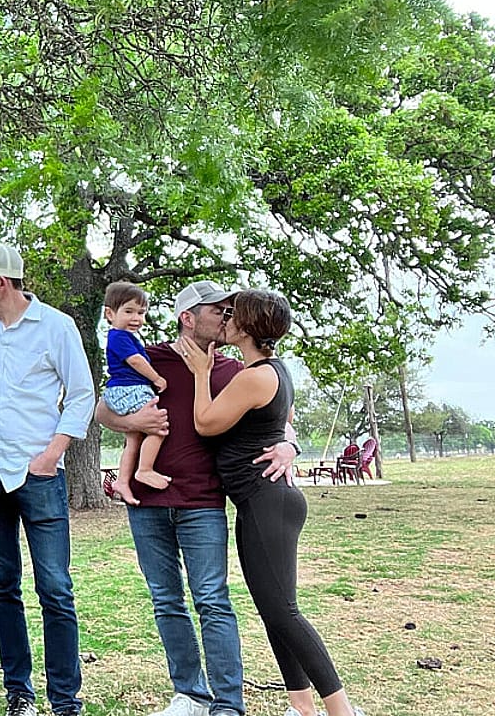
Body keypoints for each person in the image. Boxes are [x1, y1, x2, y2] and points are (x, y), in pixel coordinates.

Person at [95, 280, 298, 716]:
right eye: (216, 310)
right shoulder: (148, 358)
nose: (226, 316)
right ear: (187, 317)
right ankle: (189, 694)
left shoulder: (234, 371)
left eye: (230, 309)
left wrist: (290, 446)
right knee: (166, 601)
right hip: (148, 504)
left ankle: (228, 704)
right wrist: (131, 417)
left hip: (204, 502)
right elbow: (102, 410)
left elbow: (284, 413)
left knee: (212, 600)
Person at [179, 289, 365, 716]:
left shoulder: (256, 376)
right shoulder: (267, 371)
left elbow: (205, 423)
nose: (224, 319)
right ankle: (302, 707)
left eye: (232, 314)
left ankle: (342, 711)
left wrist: (202, 374)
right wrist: (287, 443)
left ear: (246, 327)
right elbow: (284, 421)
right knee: (273, 610)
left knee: (284, 612)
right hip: (257, 502)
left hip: (268, 502)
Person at [0, 243, 96, 716]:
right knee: (3, 586)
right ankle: (19, 693)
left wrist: (52, 454)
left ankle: (65, 701)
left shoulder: (57, 326)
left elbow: (82, 394)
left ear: (2, 283)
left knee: (55, 589)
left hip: (39, 474)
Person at [101, 281, 171, 492]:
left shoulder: (123, 337)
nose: (136, 318)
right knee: (158, 429)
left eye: (141, 313)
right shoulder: (119, 337)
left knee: (134, 437)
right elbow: (136, 361)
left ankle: (122, 480)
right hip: (130, 389)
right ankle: (145, 469)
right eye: (129, 311)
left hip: (124, 390)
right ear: (110, 314)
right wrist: (157, 378)